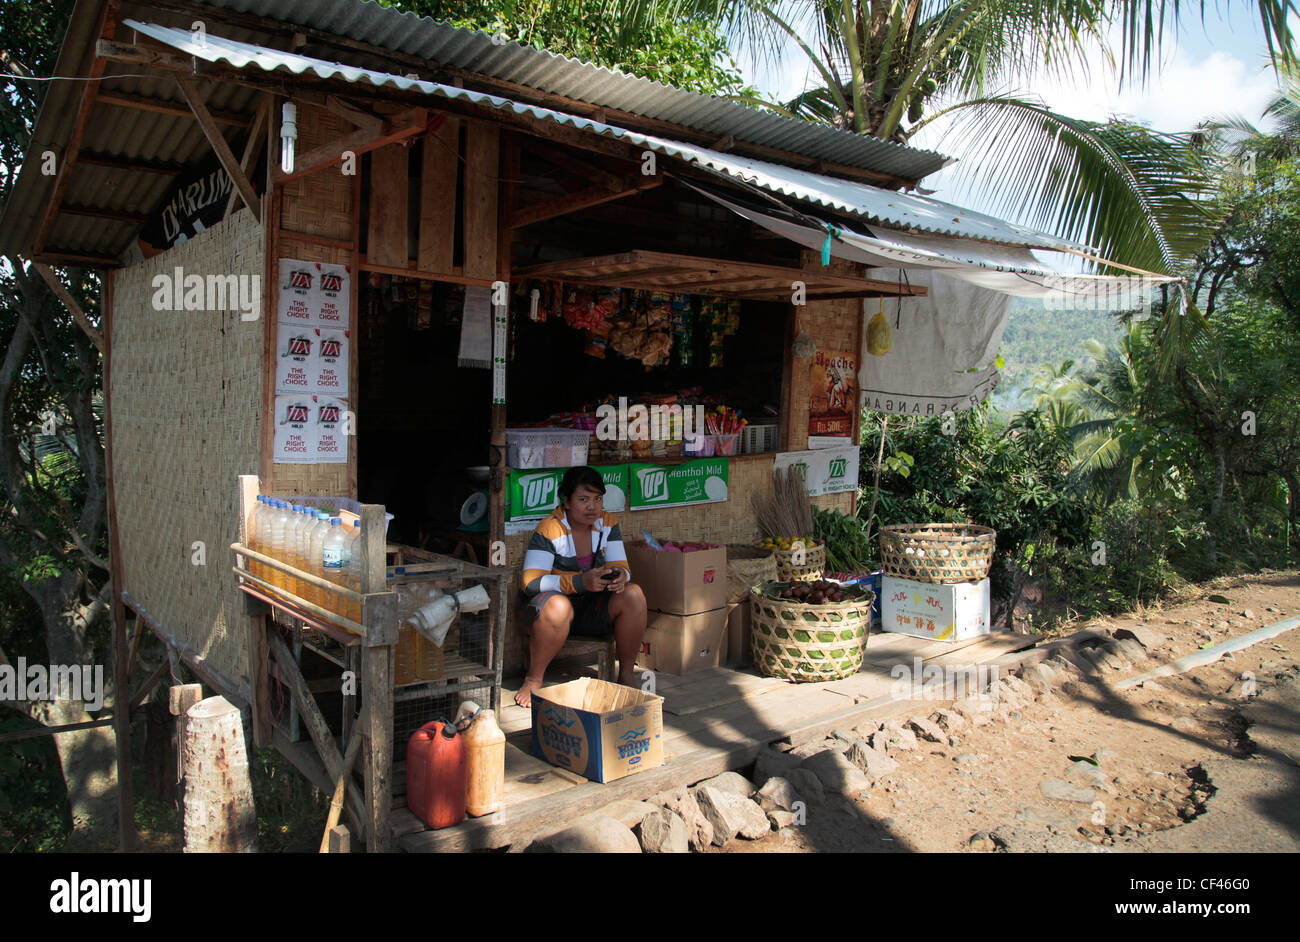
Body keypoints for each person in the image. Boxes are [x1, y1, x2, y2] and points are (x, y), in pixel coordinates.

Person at [515, 466, 647, 707]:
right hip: (550, 614)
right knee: (558, 605)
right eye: (583, 499)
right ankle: (534, 679)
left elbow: (621, 564)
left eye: (597, 499)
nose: (592, 506)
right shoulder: (549, 528)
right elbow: (530, 582)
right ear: (566, 501)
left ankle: (626, 673)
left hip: (591, 607)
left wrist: (620, 576)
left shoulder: (608, 524)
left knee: (633, 595)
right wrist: (578, 582)